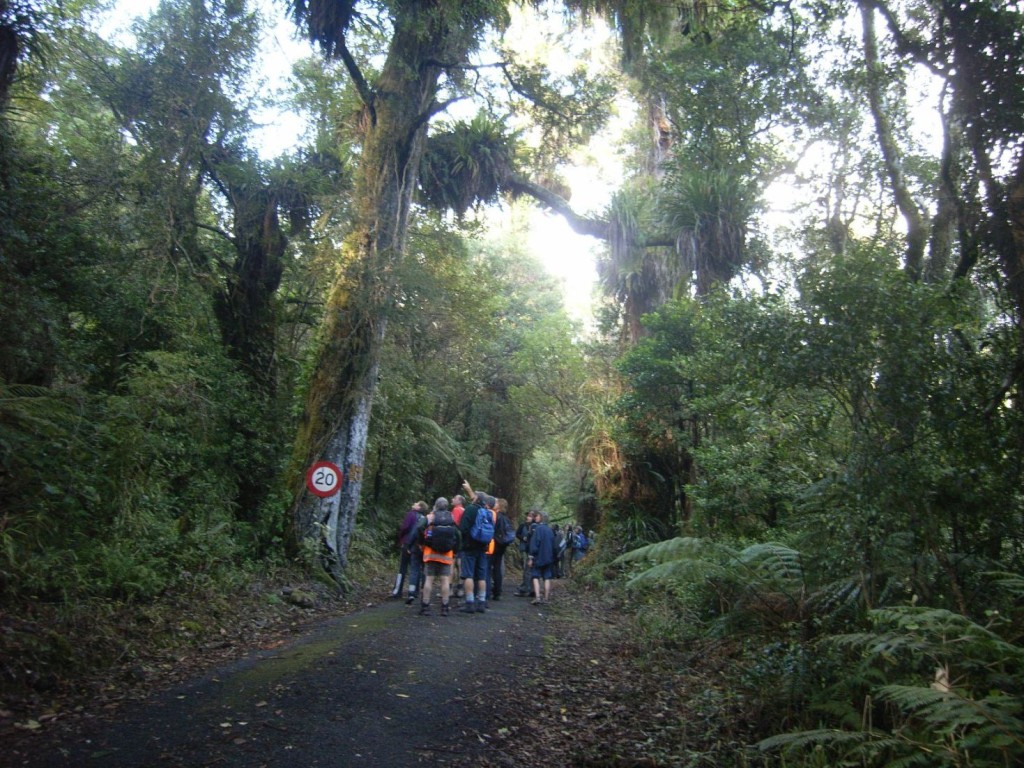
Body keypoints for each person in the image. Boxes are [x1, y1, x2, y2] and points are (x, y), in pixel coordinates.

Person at [419, 497, 461, 616]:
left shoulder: (430, 517)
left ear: (435, 506)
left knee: (429, 579)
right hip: (447, 554)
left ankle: (425, 606)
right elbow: (458, 535)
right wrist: (455, 550)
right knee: (444, 580)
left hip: (430, 553)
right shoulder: (451, 518)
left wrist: (422, 542)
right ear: (447, 506)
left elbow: (419, 528)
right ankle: (445, 607)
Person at [457, 483, 492, 614]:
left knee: (468, 575)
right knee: (481, 576)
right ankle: (482, 602)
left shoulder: (470, 509)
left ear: (476, 498)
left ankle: (470, 603)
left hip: (469, 547)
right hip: (483, 547)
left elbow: (463, 528)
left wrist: (466, 539)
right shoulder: (487, 512)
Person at [527, 510, 556, 605]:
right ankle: (546, 598)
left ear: (542, 518)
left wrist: (531, 557)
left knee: (535, 576)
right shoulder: (550, 530)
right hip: (548, 557)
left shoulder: (538, 529)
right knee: (547, 577)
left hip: (538, 557)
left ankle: (538, 597)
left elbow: (534, 545)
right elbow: (554, 545)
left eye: (538, 516)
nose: (536, 517)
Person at [390, 503, 420, 598]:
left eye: (417, 503)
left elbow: (405, 527)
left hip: (407, 542)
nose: (414, 504)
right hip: (417, 545)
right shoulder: (423, 517)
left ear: (419, 507)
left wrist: (401, 536)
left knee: (402, 568)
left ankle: (397, 591)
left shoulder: (411, 514)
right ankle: (414, 591)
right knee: (415, 569)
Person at [404, 501, 429, 605]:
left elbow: (414, 532)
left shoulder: (420, 520)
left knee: (414, 569)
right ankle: (424, 592)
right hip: (427, 548)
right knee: (425, 571)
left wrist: (409, 545)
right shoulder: (428, 519)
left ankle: (411, 592)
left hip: (416, 547)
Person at [490, 498, 515, 600]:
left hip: (494, 545)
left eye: (496, 503)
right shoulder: (506, 518)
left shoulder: (496, 516)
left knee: (490, 567)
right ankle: (497, 591)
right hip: (502, 546)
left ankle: (489, 590)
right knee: (497, 568)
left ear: (499, 506)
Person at [514, 510, 538, 597]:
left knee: (528, 570)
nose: (528, 517)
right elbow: (517, 534)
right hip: (524, 548)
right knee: (527, 568)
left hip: (531, 550)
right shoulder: (523, 525)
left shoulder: (535, 527)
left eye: (530, 516)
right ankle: (529, 588)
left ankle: (528, 589)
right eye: (528, 516)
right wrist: (522, 538)